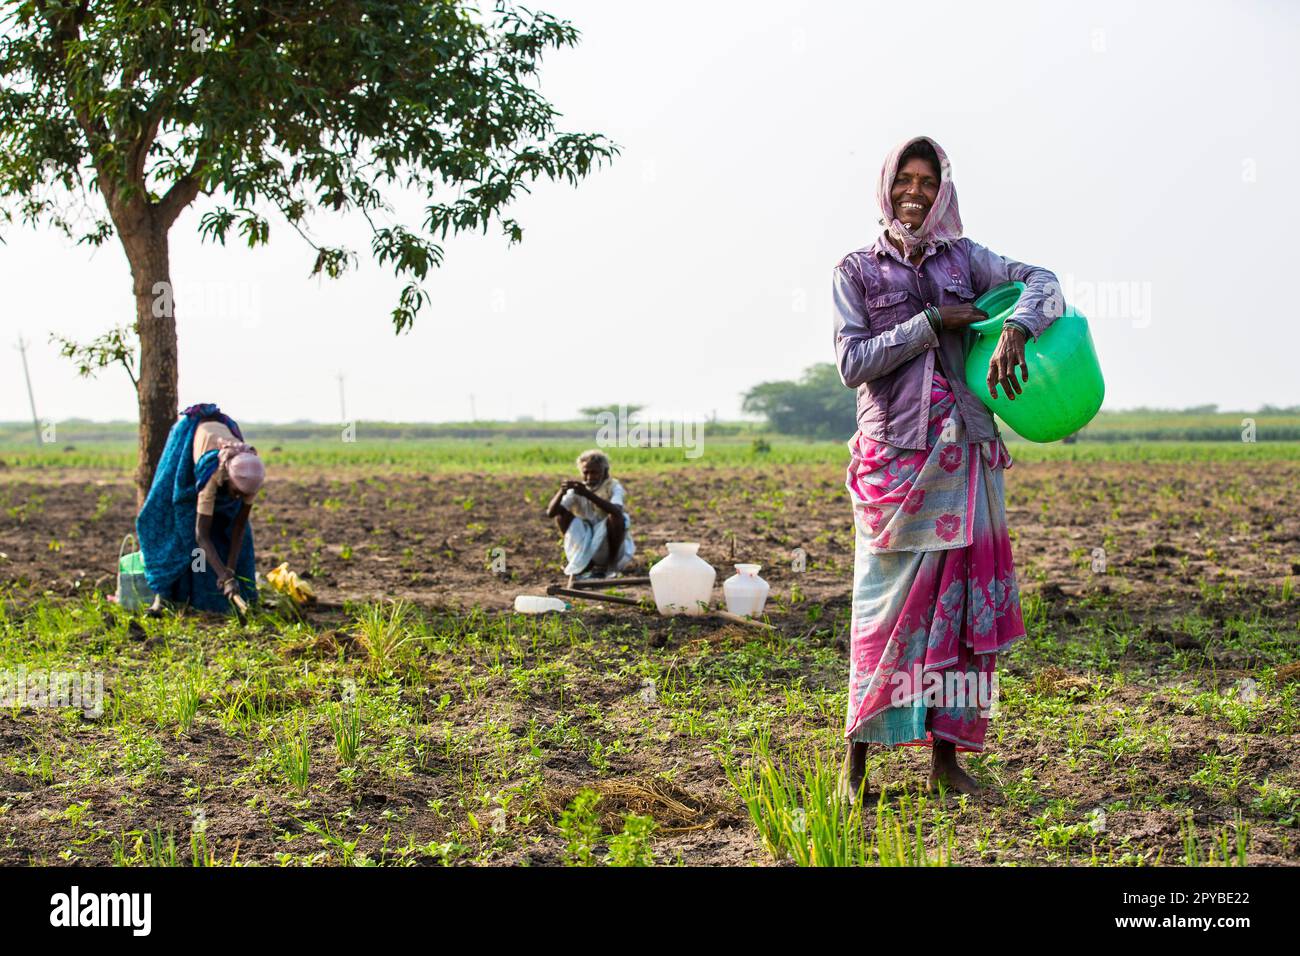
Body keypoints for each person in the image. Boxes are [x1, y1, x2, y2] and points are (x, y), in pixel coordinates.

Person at [833, 135, 1064, 801]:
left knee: (957, 617)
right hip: (896, 465)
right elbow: (852, 363)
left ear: (943, 192)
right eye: (905, 180)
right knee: (882, 618)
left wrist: (1016, 329)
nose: (915, 193)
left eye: (928, 184)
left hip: (966, 458)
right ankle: (855, 769)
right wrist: (931, 322)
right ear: (887, 186)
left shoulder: (968, 258)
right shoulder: (857, 270)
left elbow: (1044, 282)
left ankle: (947, 763)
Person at [136, 403, 263, 613]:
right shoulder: (212, 474)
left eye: (242, 494)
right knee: (187, 540)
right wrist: (222, 574)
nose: (238, 497)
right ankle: (173, 596)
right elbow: (201, 534)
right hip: (187, 455)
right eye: (235, 492)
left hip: (222, 456)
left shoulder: (251, 476)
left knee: (235, 534)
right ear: (229, 479)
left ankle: (242, 596)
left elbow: (239, 527)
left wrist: (230, 569)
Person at [546, 449, 635, 580]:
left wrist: (587, 494)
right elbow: (551, 513)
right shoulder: (579, 489)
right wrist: (561, 491)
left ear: (605, 471)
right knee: (562, 515)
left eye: (594, 472)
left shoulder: (613, 486)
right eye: (585, 472)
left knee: (617, 517)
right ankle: (586, 564)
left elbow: (617, 512)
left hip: (608, 547)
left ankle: (611, 565)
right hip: (587, 543)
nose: (589, 477)